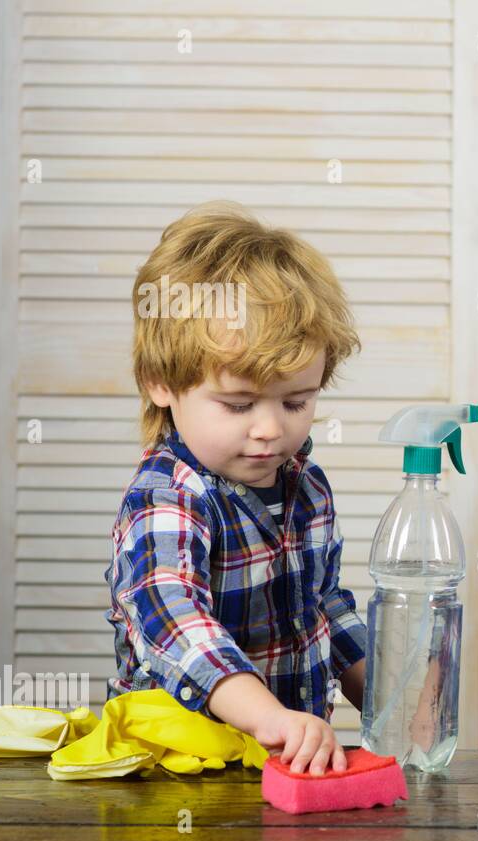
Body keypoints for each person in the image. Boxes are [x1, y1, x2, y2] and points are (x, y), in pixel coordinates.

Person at [105, 201, 367, 776]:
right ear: (161, 383)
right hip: (176, 771)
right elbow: (173, 620)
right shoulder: (169, 494)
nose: (271, 428)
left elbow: (322, 604)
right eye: (239, 404)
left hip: (284, 764)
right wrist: (267, 715)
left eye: (296, 401)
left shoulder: (307, 486)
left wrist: (381, 684)